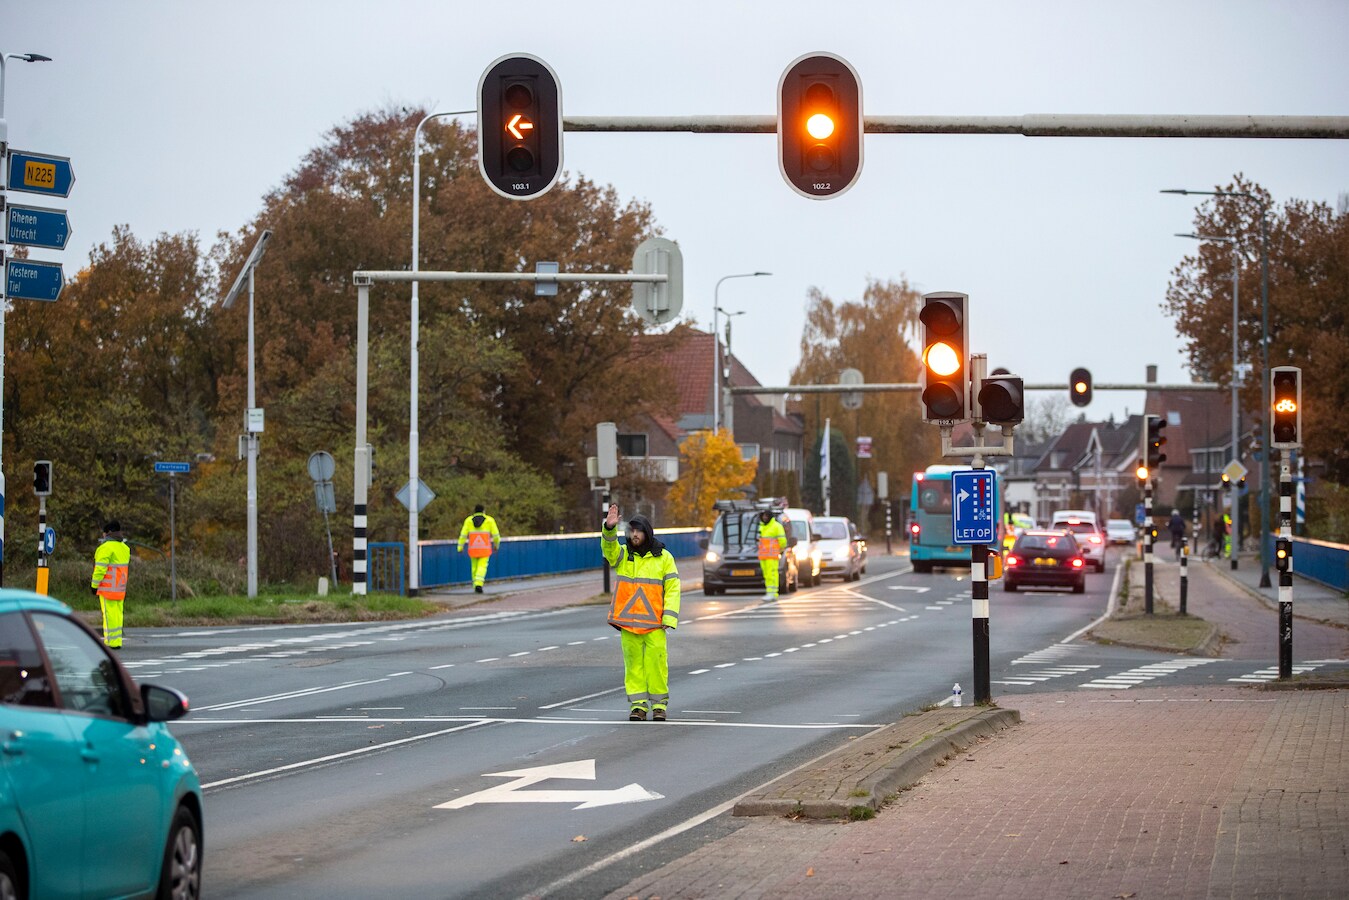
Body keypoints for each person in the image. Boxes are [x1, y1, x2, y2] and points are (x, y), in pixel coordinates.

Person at [602, 503, 680, 722]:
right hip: (628, 623)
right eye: (631, 531)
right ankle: (638, 706)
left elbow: (673, 589)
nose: (634, 535)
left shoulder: (664, 558)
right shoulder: (623, 554)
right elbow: (608, 551)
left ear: (647, 532)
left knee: (656, 664)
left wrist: (669, 618)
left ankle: (658, 706)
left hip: (655, 623)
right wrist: (608, 529)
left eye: (638, 531)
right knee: (633, 666)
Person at [90, 521, 130, 649]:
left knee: (108, 616)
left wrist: (94, 585)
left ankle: (110, 642)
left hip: (107, 588)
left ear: (108, 533)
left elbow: (100, 569)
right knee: (118, 615)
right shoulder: (125, 548)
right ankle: (117, 640)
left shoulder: (105, 548)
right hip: (120, 587)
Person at [457, 504, 501, 593]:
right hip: (485, 549)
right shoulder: (489, 520)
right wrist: (496, 545)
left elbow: (463, 535)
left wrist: (460, 547)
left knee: (474, 568)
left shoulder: (468, 521)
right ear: (483, 511)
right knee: (482, 567)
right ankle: (479, 584)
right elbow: (496, 536)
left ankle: (475, 585)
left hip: (473, 549)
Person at [756, 508, 787, 600]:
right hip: (763, 556)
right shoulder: (762, 526)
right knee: (767, 575)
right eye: (763, 516)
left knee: (772, 574)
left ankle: (773, 593)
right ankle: (770, 592)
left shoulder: (776, 526)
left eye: (766, 515)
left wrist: (780, 550)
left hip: (772, 555)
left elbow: (782, 541)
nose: (764, 517)